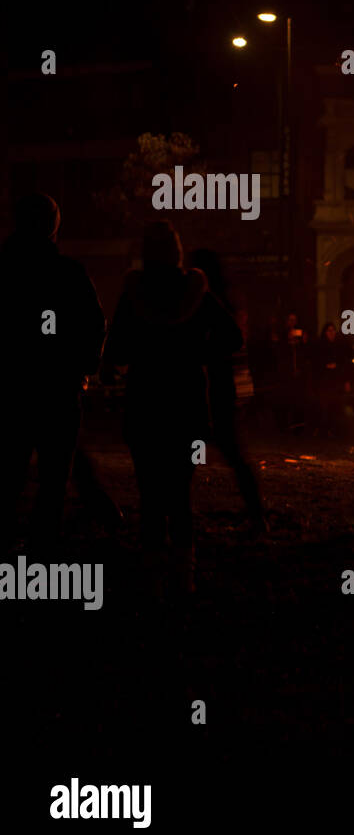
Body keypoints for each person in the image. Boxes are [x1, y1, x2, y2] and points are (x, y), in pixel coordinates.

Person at [104, 222, 243, 595]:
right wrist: (198, 353)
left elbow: (115, 349)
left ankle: (151, 568)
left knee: (149, 490)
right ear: (178, 252)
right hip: (187, 403)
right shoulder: (196, 291)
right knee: (181, 490)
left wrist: (138, 352)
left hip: (145, 402)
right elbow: (233, 336)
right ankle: (183, 573)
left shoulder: (134, 293)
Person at [0, 193, 106, 550]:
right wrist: (82, 366)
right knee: (54, 481)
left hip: (10, 391)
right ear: (53, 227)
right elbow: (94, 325)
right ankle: (42, 554)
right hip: (58, 392)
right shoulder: (68, 273)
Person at [189, 249, 267, 534]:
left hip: (214, 387)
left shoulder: (209, 300)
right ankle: (257, 514)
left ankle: (175, 514)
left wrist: (201, 355)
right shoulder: (226, 299)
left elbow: (229, 340)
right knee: (233, 454)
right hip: (224, 387)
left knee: (213, 451)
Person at [313, 321, 353, 438]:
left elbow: (345, 364)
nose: (331, 333)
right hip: (325, 382)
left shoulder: (339, 347)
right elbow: (316, 365)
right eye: (329, 331)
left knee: (336, 407)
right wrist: (326, 366)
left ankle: (335, 430)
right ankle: (324, 430)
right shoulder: (321, 347)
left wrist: (346, 380)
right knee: (324, 407)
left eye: (333, 330)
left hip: (336, 382)